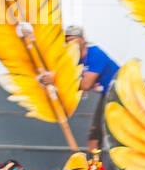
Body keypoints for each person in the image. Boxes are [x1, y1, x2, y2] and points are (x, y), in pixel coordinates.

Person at [37, 25, 120, 154]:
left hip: (120, 92)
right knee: (95, 132)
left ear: (83, 40)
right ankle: (94, 165)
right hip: (107, 93)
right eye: (68, 41)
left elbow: (85, 85)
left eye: (74, 40)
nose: (72, 43)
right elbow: (61, 75)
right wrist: (47, 78)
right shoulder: (73, 58)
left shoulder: (95, 54)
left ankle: (97, 165)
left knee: (103, 131)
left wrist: (55, 81)